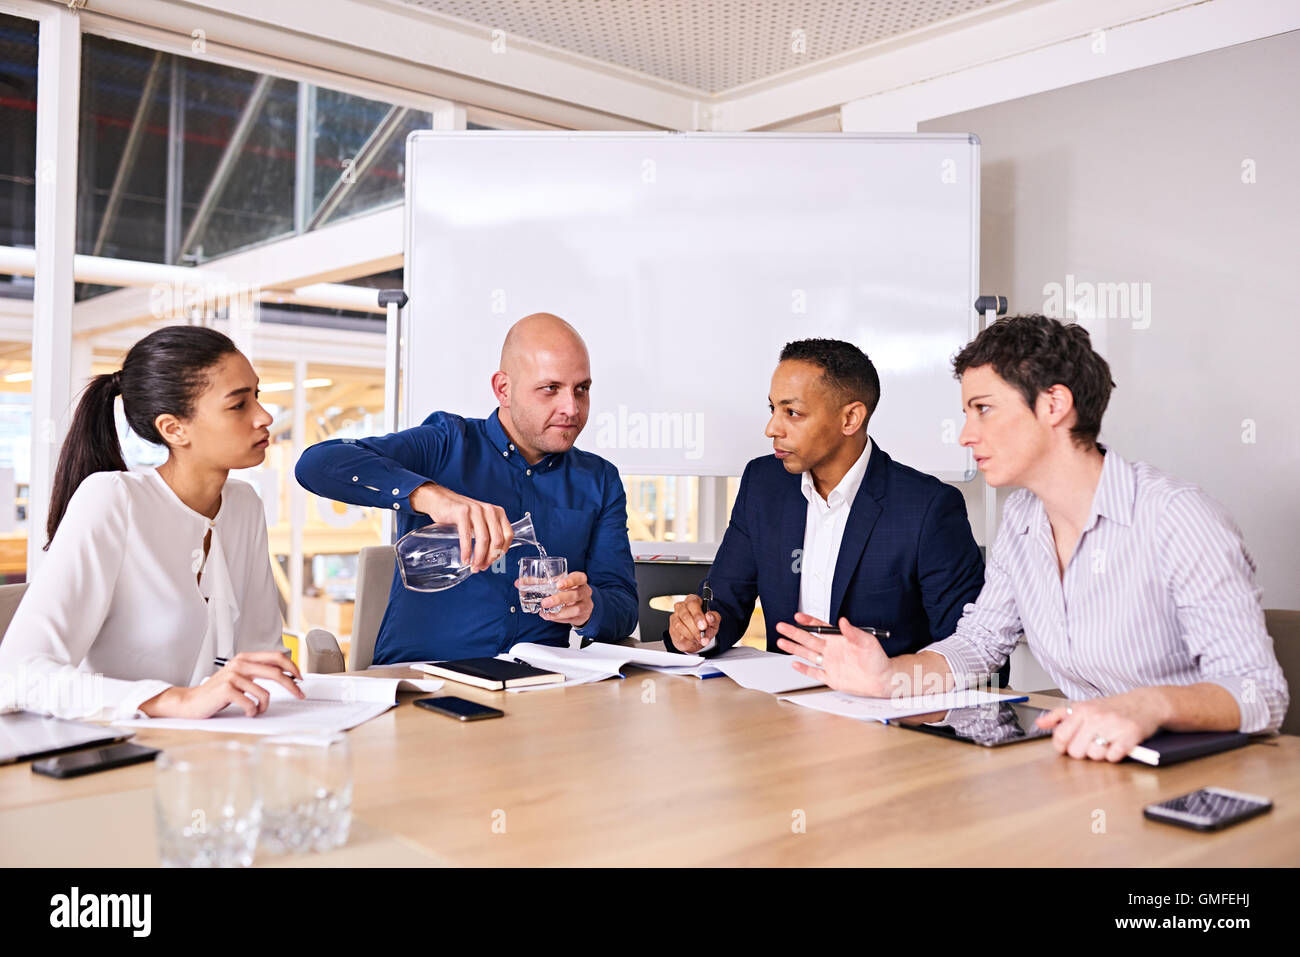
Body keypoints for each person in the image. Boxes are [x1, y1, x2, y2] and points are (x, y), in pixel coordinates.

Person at [776, 315, 1289, 760]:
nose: (965, 435)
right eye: (965, 413)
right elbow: (980, 644)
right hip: (1090, 762)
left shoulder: (1178, 519)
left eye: (984, 409)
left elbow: (1260, 693)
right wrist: (891, 678)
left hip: (1196, 770)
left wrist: (1147, 704)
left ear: (1054, 406)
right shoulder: (1023, 519)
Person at [295, 312, 638, 663]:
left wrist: (588, 607)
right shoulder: (446, 444)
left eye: (581, 389)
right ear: (503, 389)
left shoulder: (599, 481)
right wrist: (429, 496)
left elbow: (623, 608)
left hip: (537, 691)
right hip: (423, 684)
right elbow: (316, 464)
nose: (571, 408)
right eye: (550, 389)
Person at [0, 326, 303, 722]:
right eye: (238, 405)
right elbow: (17, 675)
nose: (264, 417)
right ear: (174, 429)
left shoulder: (244, 504)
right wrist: (174, 701)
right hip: (110, 755)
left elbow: (262, 653)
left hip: (212, 753)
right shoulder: (113, 498)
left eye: (257, 397)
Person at [664, 338, 986, 663]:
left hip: (882, 707)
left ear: (850, 419)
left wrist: (891, 680)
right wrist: (699, 631)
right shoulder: (763, 484)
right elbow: (725, 603)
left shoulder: (928, 508)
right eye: (773, 409)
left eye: (792, 412)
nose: (772, 428)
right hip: (781, 704)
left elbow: (975, 656)